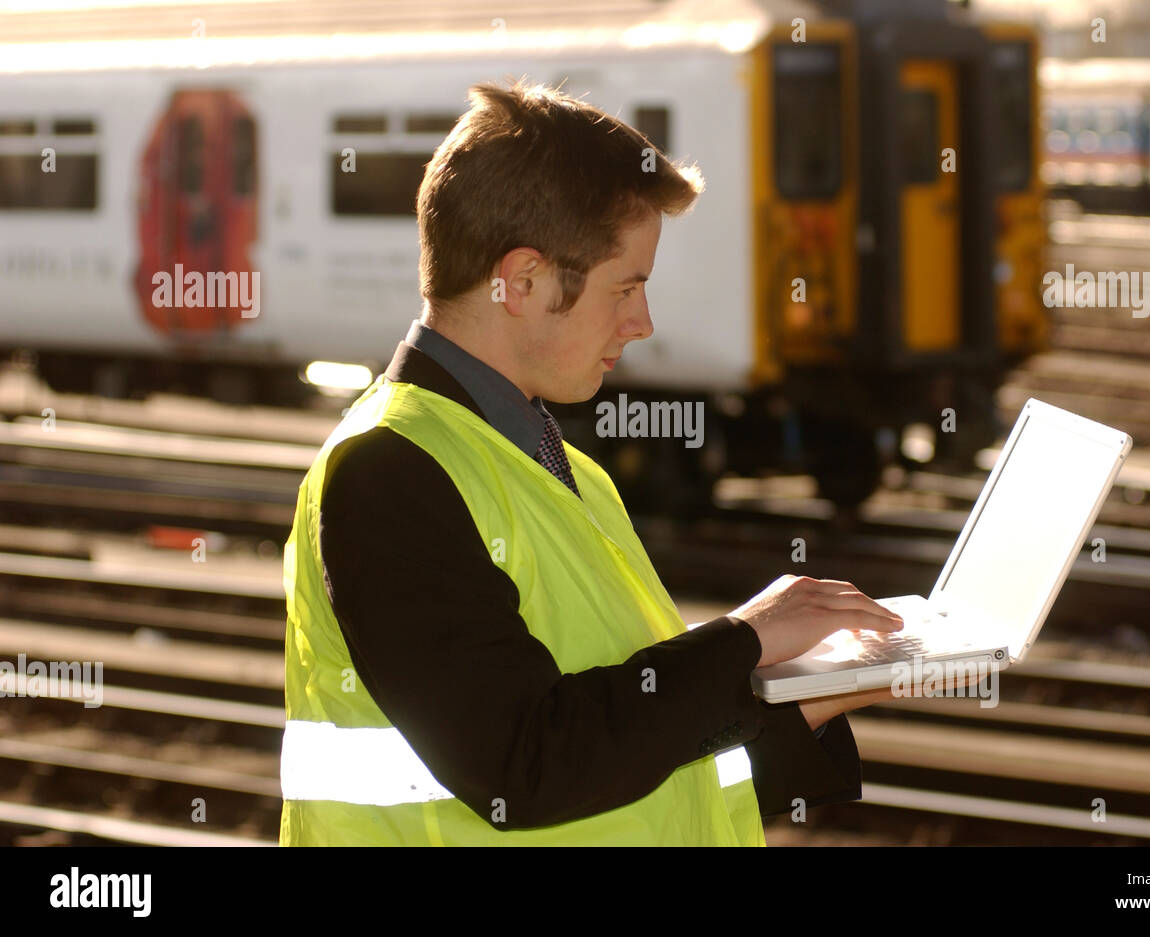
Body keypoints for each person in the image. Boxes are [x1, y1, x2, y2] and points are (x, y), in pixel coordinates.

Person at [279, 79, 904, 846]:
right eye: (627, 287)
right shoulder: (387, 472)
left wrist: (813, 694)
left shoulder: (553, 464)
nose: (642, 322)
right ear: (525, 280)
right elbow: (525, 765)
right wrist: (746, 638)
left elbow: (621, 745)